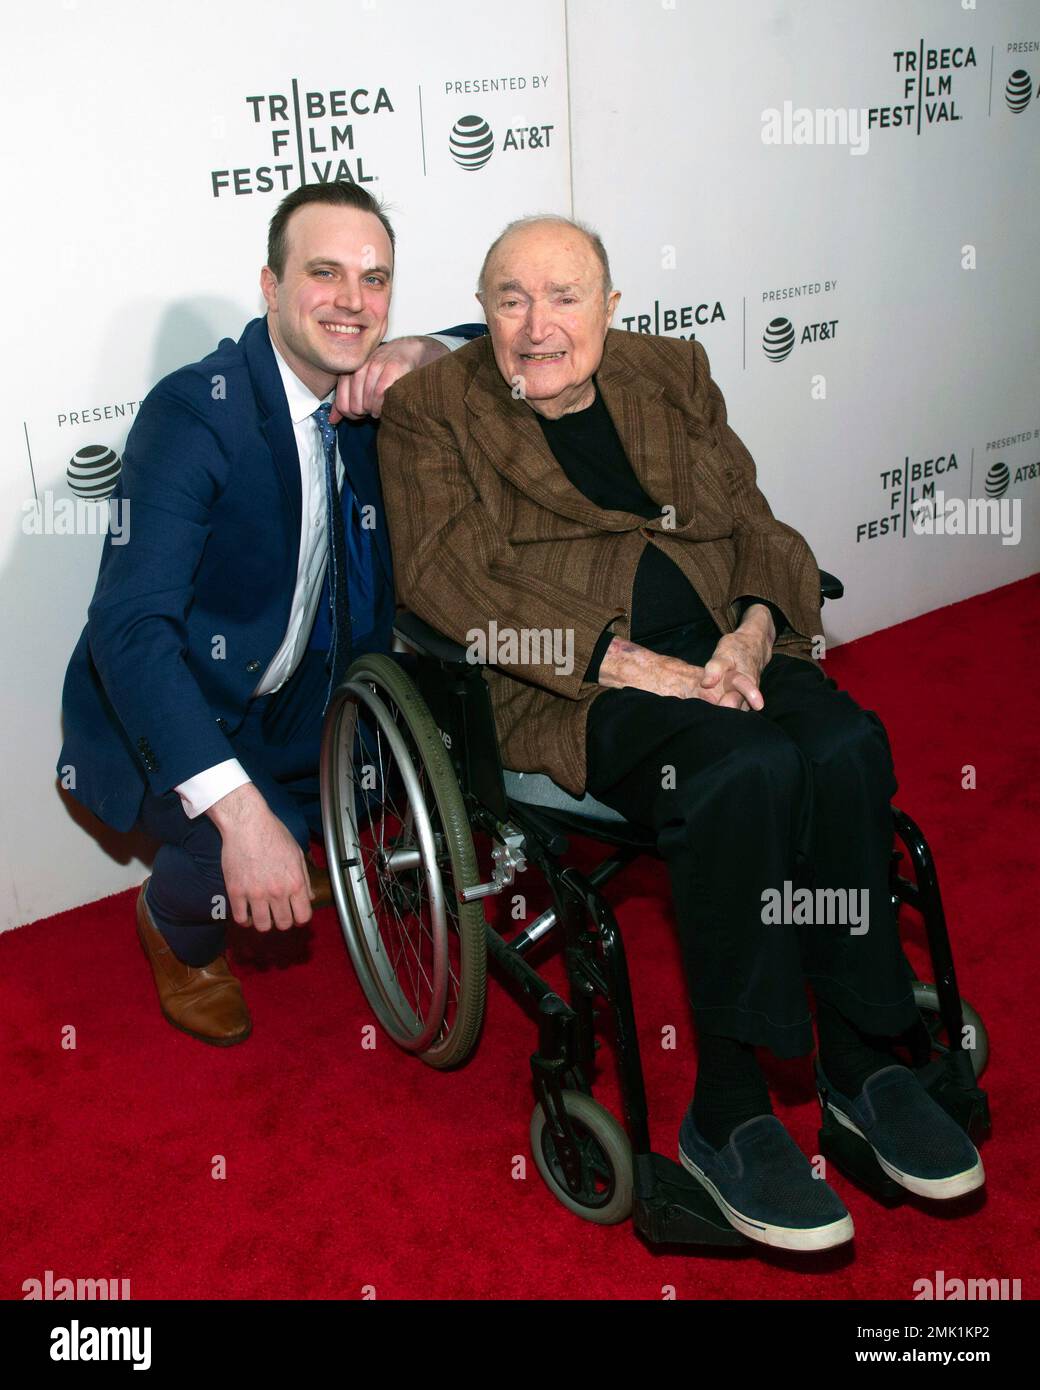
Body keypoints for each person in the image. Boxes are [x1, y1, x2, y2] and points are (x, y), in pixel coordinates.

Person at [375, 214, 985, 1251]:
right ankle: (729, 1107)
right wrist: (636, 664)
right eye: (510, 299)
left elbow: (752, 518)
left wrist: (750, 634)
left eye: (565, 296)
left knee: (841, 747)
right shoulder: (431, 409)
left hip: (723, 653)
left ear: (610, 309)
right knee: (743, 770)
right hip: (570, 681)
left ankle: (859, 1060)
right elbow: (445, 580)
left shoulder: (671, 371)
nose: (536, 325)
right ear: (481, 312)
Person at [57, 181, 481, 1048]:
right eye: (324, 274)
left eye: (375, 281)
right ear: (270, 285)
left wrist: (426, 348)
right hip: (180, 700)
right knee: (242, 840)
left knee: (413, 765)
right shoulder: (194, 415)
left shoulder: (367, 387)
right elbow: (130, 631)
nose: (353, 302)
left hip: (305, 687)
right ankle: (175, 931)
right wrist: (241, 816)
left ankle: (291, 821)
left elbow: (508, 348)